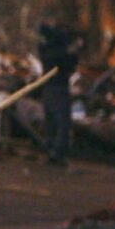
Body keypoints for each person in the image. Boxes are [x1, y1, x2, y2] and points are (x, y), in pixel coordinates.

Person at [36, 22, 83, 167]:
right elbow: (70, 64)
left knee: (51, 121)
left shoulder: (45, 49)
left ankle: (50, 149)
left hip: (48, 88)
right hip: (59, 88)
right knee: (63, 123)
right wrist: (75, 51)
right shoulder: (58, 52)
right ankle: (57, 153)